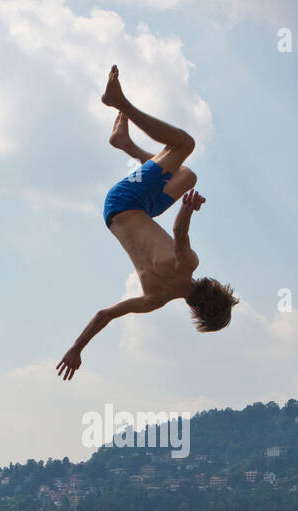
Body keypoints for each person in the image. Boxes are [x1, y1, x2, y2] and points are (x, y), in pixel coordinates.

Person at [56, 66, 237, 381]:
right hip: (119, 214)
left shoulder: (188, 265)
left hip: (126, 199)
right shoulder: (154, 300)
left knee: (183, 146)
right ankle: (124, 143)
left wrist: (188, 209)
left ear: (215, 292)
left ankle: (119, 102)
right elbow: (104, 315)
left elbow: (180, 231)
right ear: (196, 312)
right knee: (186, 176)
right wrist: (76, 349)